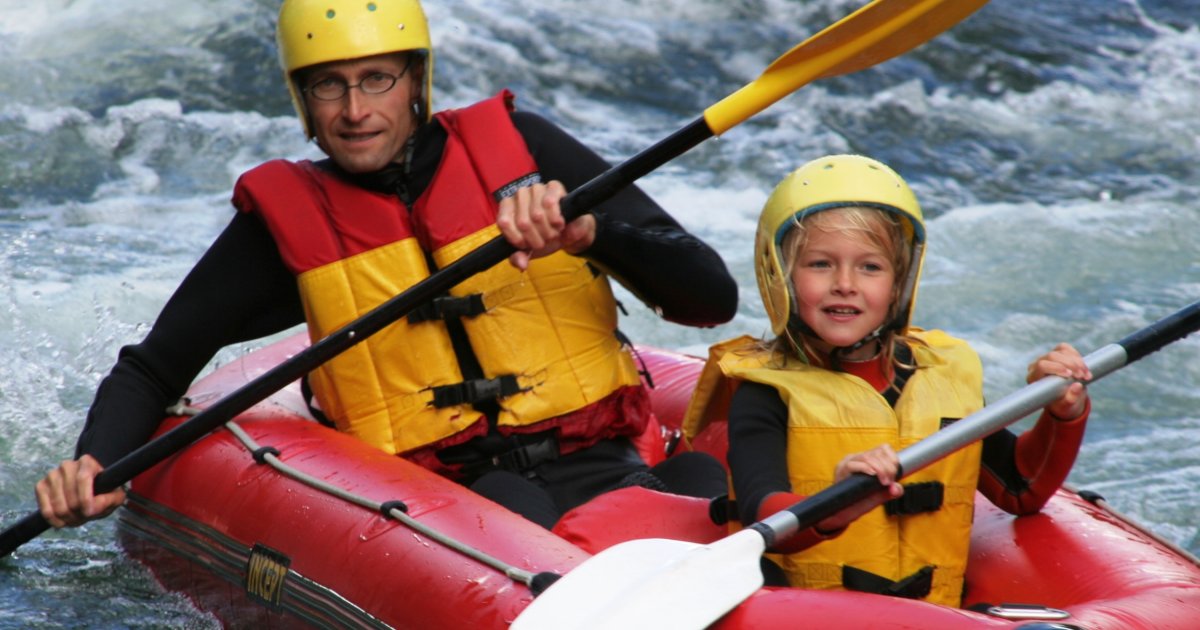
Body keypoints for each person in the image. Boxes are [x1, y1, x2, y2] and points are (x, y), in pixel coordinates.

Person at [35, 0, 735, 532]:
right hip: (457, 505)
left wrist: (592, 232)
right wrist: (94, 465)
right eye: (328, 87)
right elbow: (154, 367)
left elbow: (710, 297)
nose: (355, 110)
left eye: (376, 79)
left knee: (705, 478)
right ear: (301, 100)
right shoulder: (285, 224)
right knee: (517, 507)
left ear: (416, 82)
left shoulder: (522, 147)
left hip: (609, 459)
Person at [682, 154, 1090, 606]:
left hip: (932, 615)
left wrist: (1061, 412)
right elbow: (764, 514)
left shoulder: (939, 378)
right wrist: (837, 501)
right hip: (808, 614)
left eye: (870, 267)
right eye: (820, 264)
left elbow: (1020, 488)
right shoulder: (765, 390)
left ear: (899, 285)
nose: (845, 284)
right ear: (779, 276)